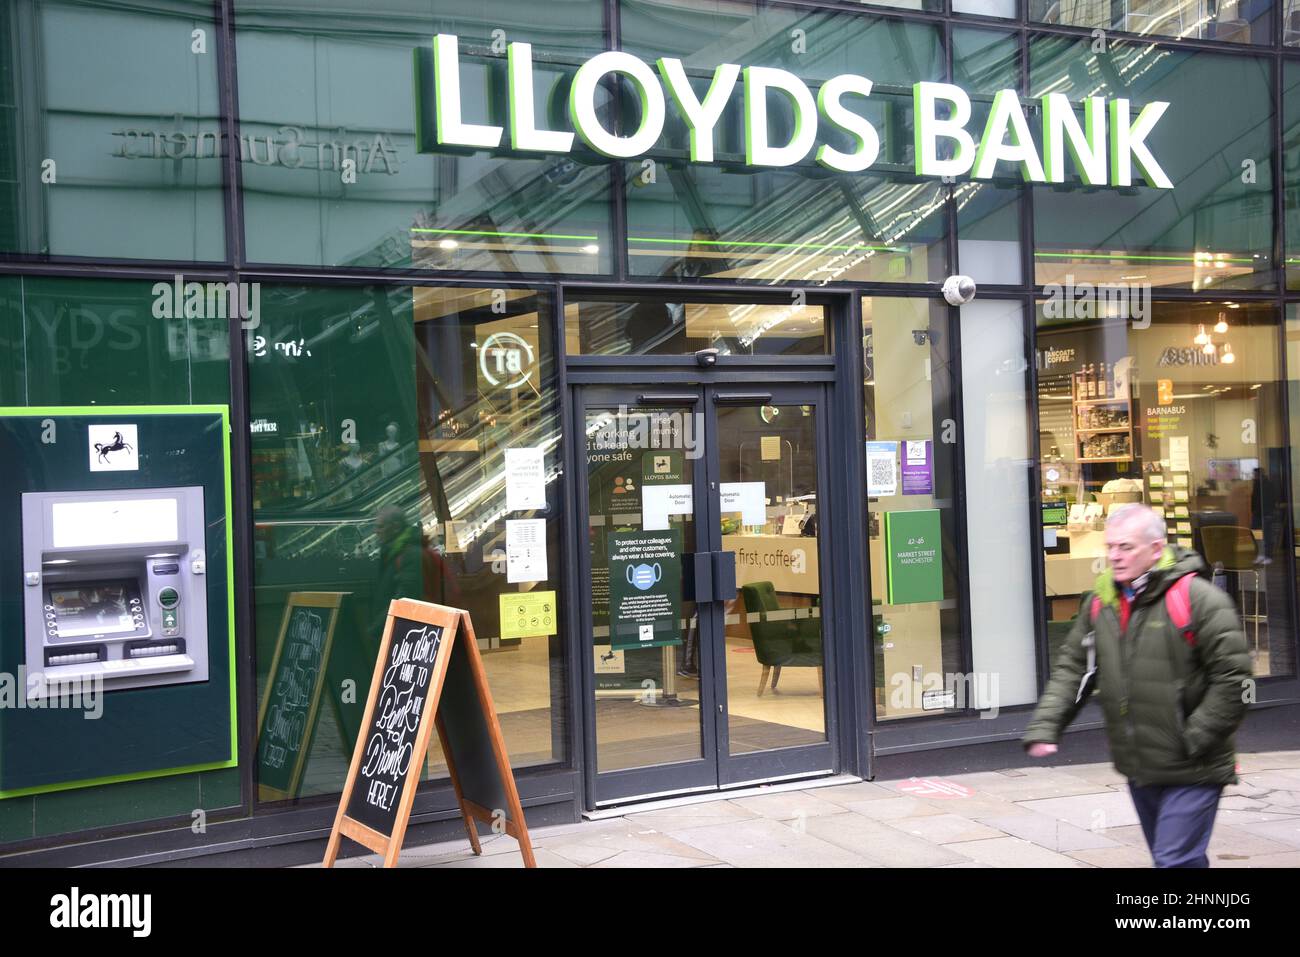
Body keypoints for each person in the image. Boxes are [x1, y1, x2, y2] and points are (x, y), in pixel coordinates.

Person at [1023, 503, 1252, 868]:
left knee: (1172, 859)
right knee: (1179, 858)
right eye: (1110, 546)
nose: (1114, 556)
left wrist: (1193, 738)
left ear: (1156, 549)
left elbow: (1237, 680)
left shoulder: (1199, 599)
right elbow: (1074, 668)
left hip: (1196, 766)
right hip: (1140, 763)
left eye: (1126, 547)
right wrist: (1047, 726)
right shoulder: (1102, 603)